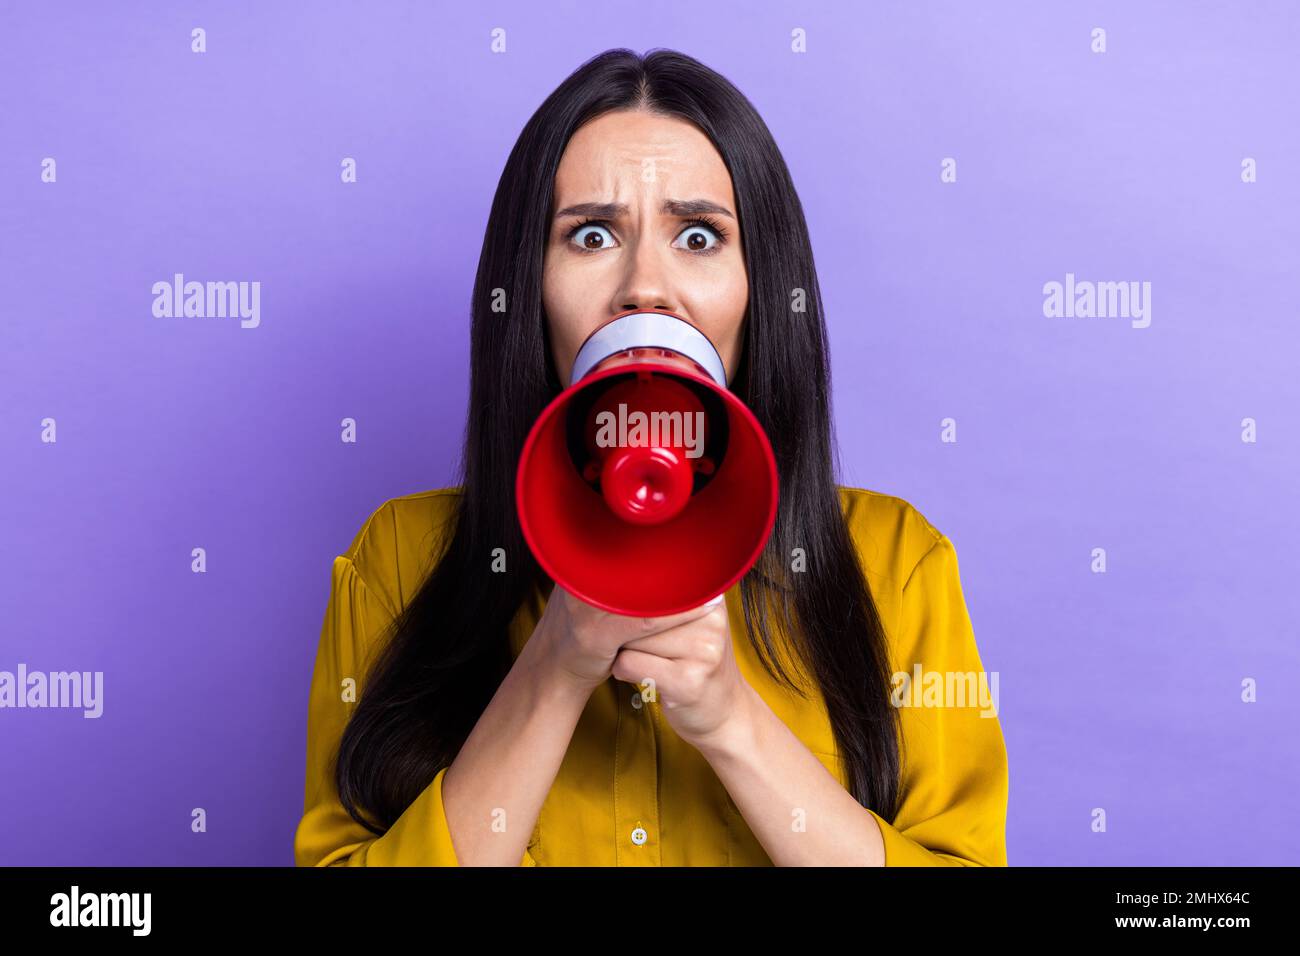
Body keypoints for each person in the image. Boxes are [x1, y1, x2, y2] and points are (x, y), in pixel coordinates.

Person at [294, 48, 1008, 867]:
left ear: (761, 285)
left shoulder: (895, 565)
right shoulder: (397, 559)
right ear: (527, 287)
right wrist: (557, 664)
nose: (646, 286)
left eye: (699, 236)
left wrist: (732, 721)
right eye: (591, 234)